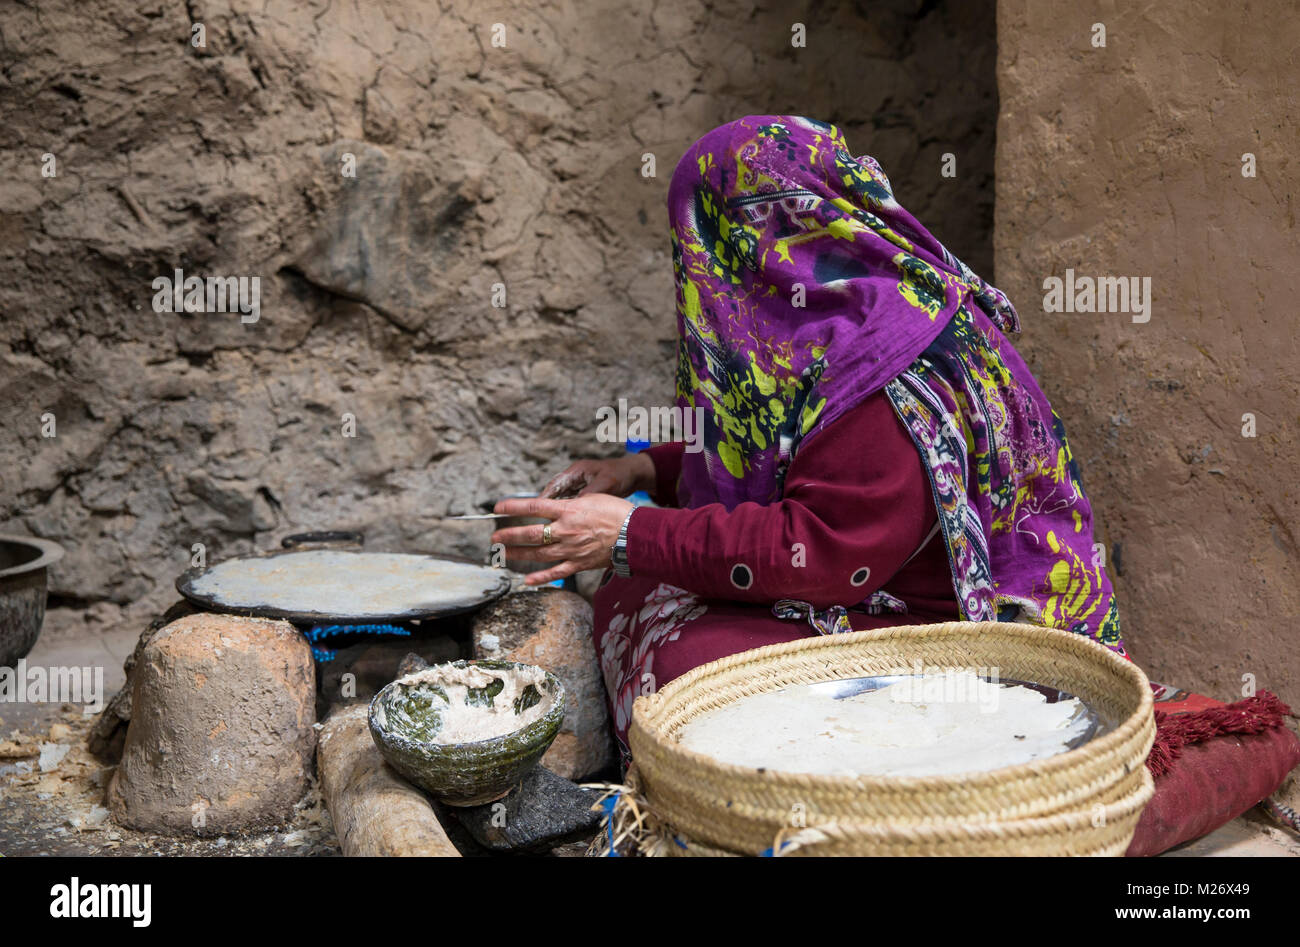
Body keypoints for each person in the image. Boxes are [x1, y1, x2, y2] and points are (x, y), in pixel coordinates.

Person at [491, 115, 1122, 751]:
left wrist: (626, 531)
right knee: (641, 588)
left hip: (933, 621)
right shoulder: (820, 324)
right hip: (862, 574)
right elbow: (776, 445)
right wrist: (641, 472)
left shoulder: (885, 359)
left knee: (689, 667)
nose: (692, 265)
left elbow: (824, 553)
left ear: (747, 234)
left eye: (700, 235)